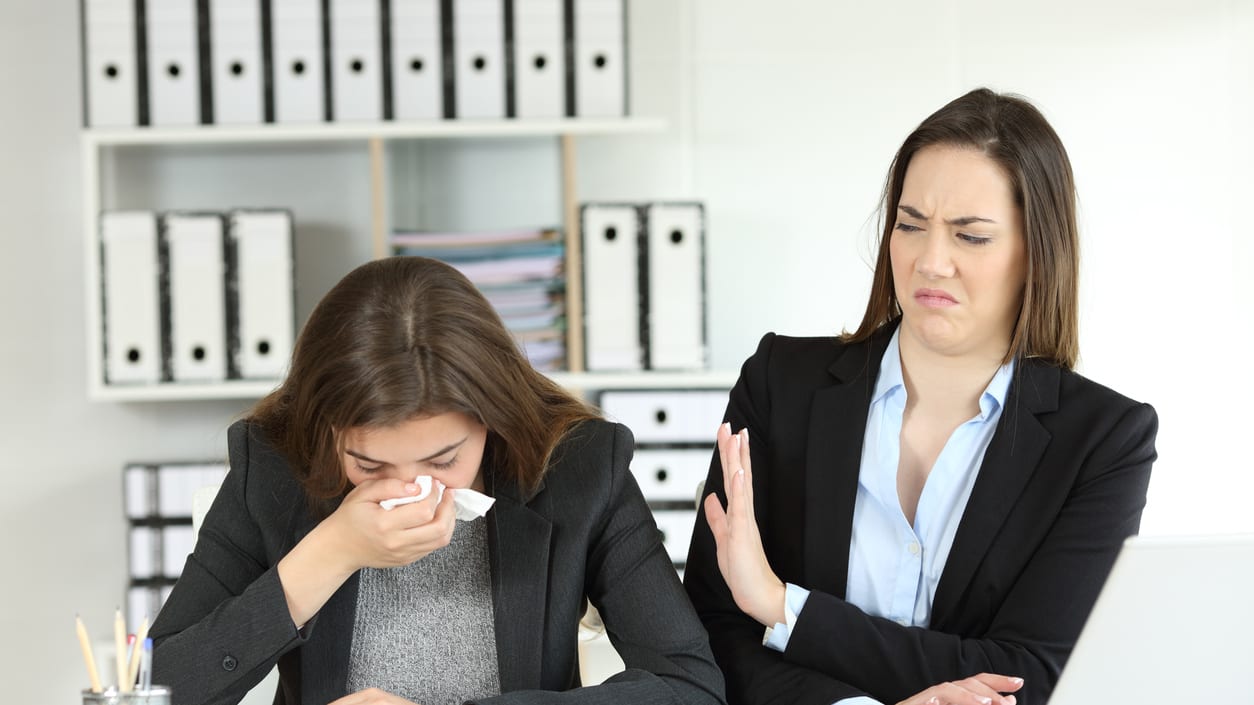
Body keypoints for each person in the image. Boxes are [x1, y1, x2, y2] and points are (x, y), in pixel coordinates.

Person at [683, 88, 1158, 705]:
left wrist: (780, 605)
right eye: (911, 225)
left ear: (1035, 253)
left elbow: (1030, 676)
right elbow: (707, 634)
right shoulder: (780, 383)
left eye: (972, 236)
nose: (931, 262)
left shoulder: (1103, 440)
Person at [150, 256, 727, 705]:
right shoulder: (274, 464)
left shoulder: (577, 466)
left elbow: (689, 687)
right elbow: (156, 690)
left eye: (444, 460)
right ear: (326, 432)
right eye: (370, 466)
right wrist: (330, 552)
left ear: (493, 420)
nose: (410, 492)